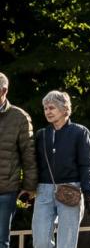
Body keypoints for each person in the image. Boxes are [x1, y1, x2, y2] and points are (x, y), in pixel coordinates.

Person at [32, 90, 90, 248]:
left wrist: (89, 193)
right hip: (44, 190)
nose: (48, 112)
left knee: (66, 244)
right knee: (40, 242)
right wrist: (28, 187)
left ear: (64, 109)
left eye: (52, 108)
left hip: (70, 189)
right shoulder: (41, 135)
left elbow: (86, 165)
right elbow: (33, 164)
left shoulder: (80, 132)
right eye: (45, 108)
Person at [0, 73, 37, 248]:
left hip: (5, 190)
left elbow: (29, 156)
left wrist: (29, 187)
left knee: (1, 241)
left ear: (3, 90)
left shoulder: (20, 117)